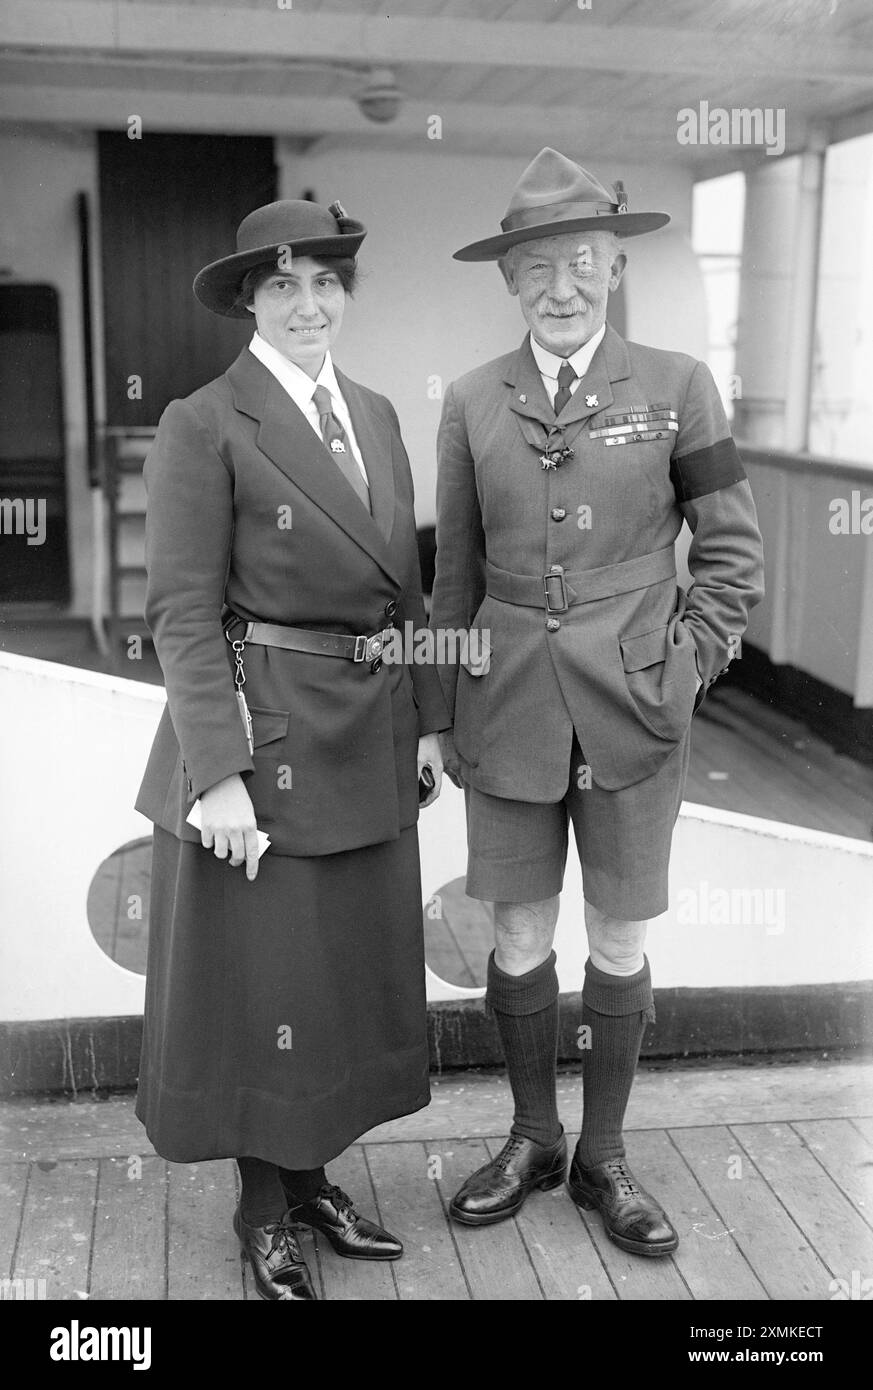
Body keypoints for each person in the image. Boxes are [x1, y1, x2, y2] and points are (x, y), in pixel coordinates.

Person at [431, 149, 764, 1256]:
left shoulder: (679, 388)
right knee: (518, 930)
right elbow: (455, 577)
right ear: (510, 281)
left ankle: (602, 1156)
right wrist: (440, 710)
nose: (560, 286)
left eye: (580, 261)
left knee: (617, 937)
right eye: (536, 268)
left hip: (635, 708)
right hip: (506, 702)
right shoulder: (473, 400)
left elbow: (731, 559)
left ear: (614, 267)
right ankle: (532, 1135)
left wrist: (685, 667)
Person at [134, 198, 448, 1299]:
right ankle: (262, 1210)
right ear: (251, 303)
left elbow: (406, 586)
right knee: (264, 979)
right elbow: (179, 611)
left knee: (332, 982)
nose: (308, 304)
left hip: (368, 730)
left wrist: (424, 722)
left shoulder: (375, 411)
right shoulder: (205, 420)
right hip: (261, 740)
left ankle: (311, 1179)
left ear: (345, 296)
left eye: (325, 283)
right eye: (283, 287)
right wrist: (216, 773)